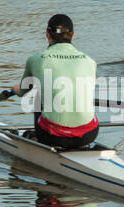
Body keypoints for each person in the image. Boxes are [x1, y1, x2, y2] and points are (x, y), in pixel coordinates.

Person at [13, 14, 98, 150]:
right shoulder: (90, 61)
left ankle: (39, 139)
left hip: (51, 136)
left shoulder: (35, 59)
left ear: (47, 34)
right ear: (73, 35)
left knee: (39, 94)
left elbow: (22, 92)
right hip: (88, 135)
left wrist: (15, 90)